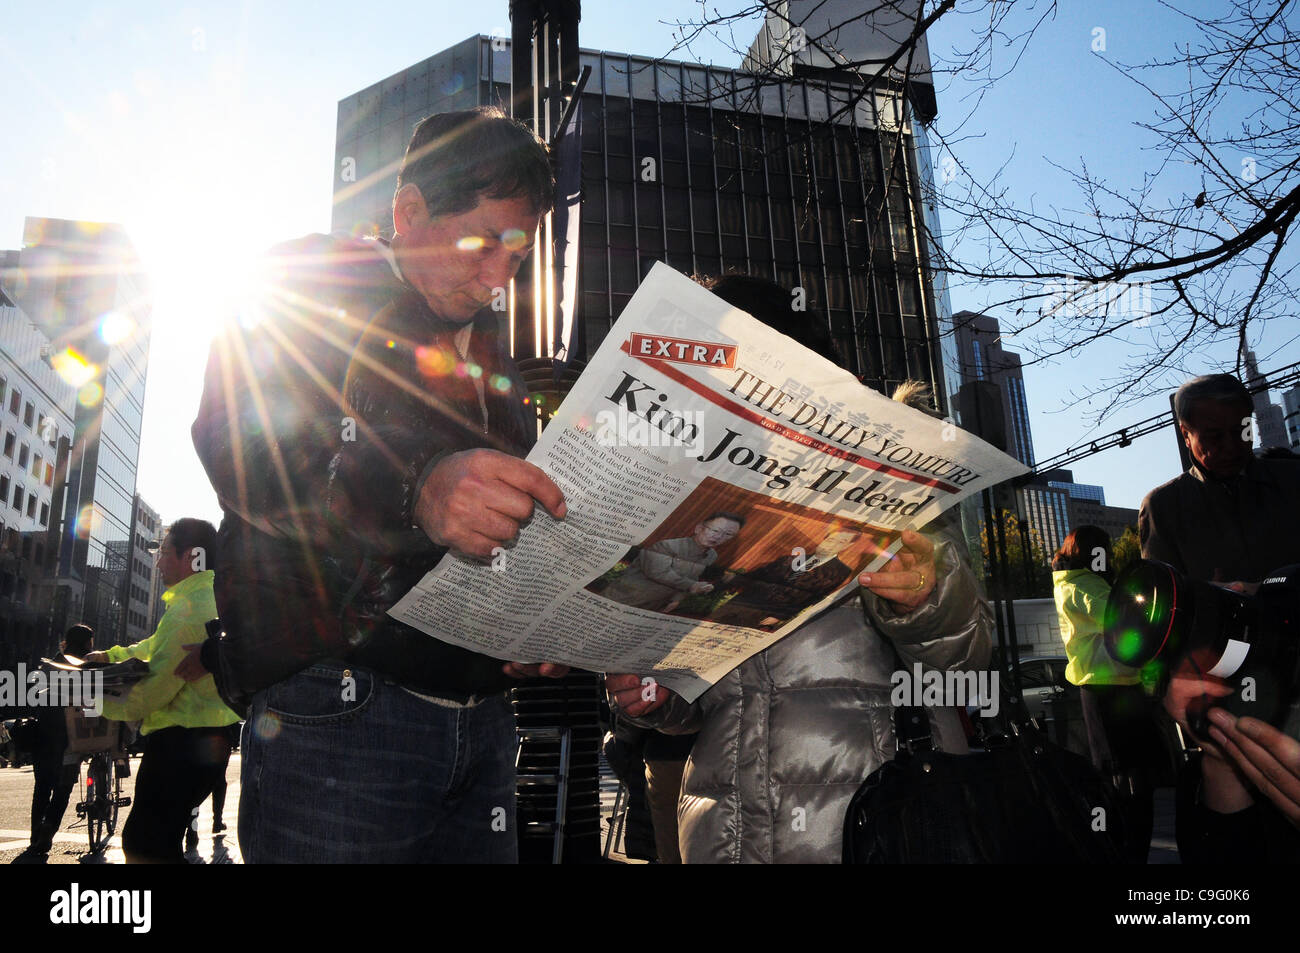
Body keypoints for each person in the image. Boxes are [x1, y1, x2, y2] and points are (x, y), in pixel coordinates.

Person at [189, 107, 571, 863]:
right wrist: (417, 487)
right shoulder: (307, 283)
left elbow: (497, 531)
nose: (500, 278)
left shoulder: (495, 366)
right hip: (341, 710)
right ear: (409, 210)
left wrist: (527, 626)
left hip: (487, 723)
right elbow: (240, 447)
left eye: (518, 256)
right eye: (485, 242)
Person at [607, 276, 991, 863]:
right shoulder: (700, 511)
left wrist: (926, 597)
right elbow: (698, 704)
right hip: (724, 827)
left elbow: (968, 661)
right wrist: (653, 695)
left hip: (872, 820)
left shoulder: (881, 472)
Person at [1139, 372, 1300, 858]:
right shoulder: (1164, 507)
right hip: (1225, 702)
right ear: (1185, 435)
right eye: (1214, 436)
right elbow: (1160, 615)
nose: (1234, 445)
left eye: (1242, 429)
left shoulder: (1294, 479)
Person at [89, 520, 240, 863]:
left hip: (180, 743)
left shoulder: (189, 611)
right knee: (156, 841)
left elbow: (150, 694)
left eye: (164, 552)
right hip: (202, 741)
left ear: (191, 556)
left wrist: (95, 699)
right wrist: (110, 656)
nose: (157, 562)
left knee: (145, 846)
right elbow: (155, 645)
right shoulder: (199, 599)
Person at [1051, 525, 1159, 862]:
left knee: (1119, 776)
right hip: (1111, 689)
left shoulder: (1074, 584)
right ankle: (1127, 849)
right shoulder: (1085, 586)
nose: (1107, 555)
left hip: (1104, 689)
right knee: (1127, 779)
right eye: (1103, 549)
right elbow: (1123, 618)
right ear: (1092, 551)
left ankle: (1121, 846)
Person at [15, 625, 94, 862]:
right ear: (87, 643)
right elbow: (93, 703)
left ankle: (34, 835)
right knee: (63, 787)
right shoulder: (88, 667)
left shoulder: (49, 665)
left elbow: (34, 697)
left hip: (43, 734)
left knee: (42, 787)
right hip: (71, 737)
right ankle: (49, 827)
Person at [711, 526, 863, 629]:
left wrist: (780, 616)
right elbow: (758, 575)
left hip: (769, 613)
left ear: (847, 546)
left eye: (841, 542)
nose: (831, 545)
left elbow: (813, 598)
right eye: (830, 539)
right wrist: (727, 581)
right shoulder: (788, 558)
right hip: (745, 601)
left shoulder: (841, 571)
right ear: (824, 539)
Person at [597, 513, 744, 611]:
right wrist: (692, 585)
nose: (718, 537)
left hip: (653, 606)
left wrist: (677, 599)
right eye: (715, 530)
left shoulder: (711, 555)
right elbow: (658, 573)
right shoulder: (668, 545)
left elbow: (691, 578)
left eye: (728, 534)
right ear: (699, 528)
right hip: (624, 598)